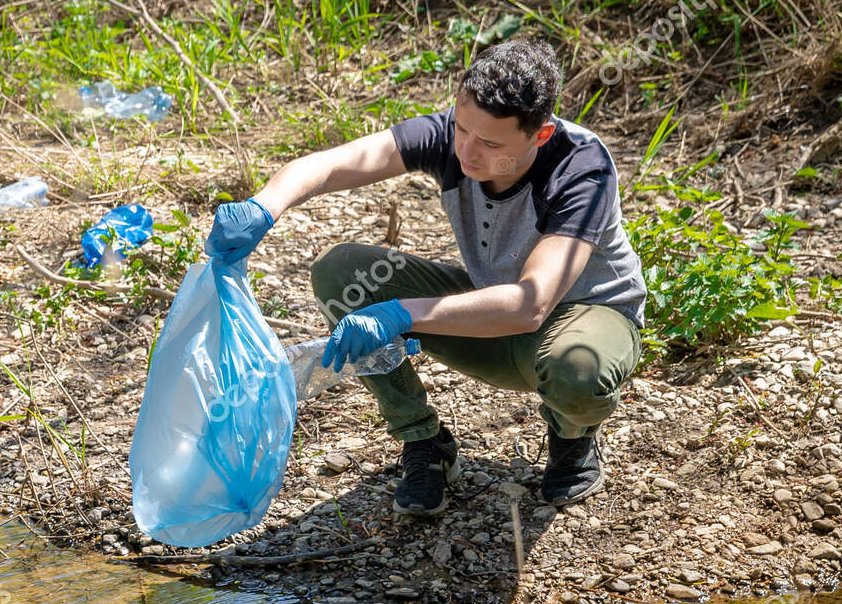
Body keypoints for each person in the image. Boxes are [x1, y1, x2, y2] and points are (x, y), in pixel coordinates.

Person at [203, 37, 647, 514]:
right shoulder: (453, 137)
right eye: (462, 130)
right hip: (490, 313)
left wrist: (398, 314)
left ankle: (571, 435)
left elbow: (531, 303)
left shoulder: (580, 167)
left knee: (577, 371)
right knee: (343, 273)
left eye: (491, 143)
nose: (468, 152)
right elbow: (332, 164)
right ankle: (424, 443)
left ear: (539, 135)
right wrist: (262, 207)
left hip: (583, 316)